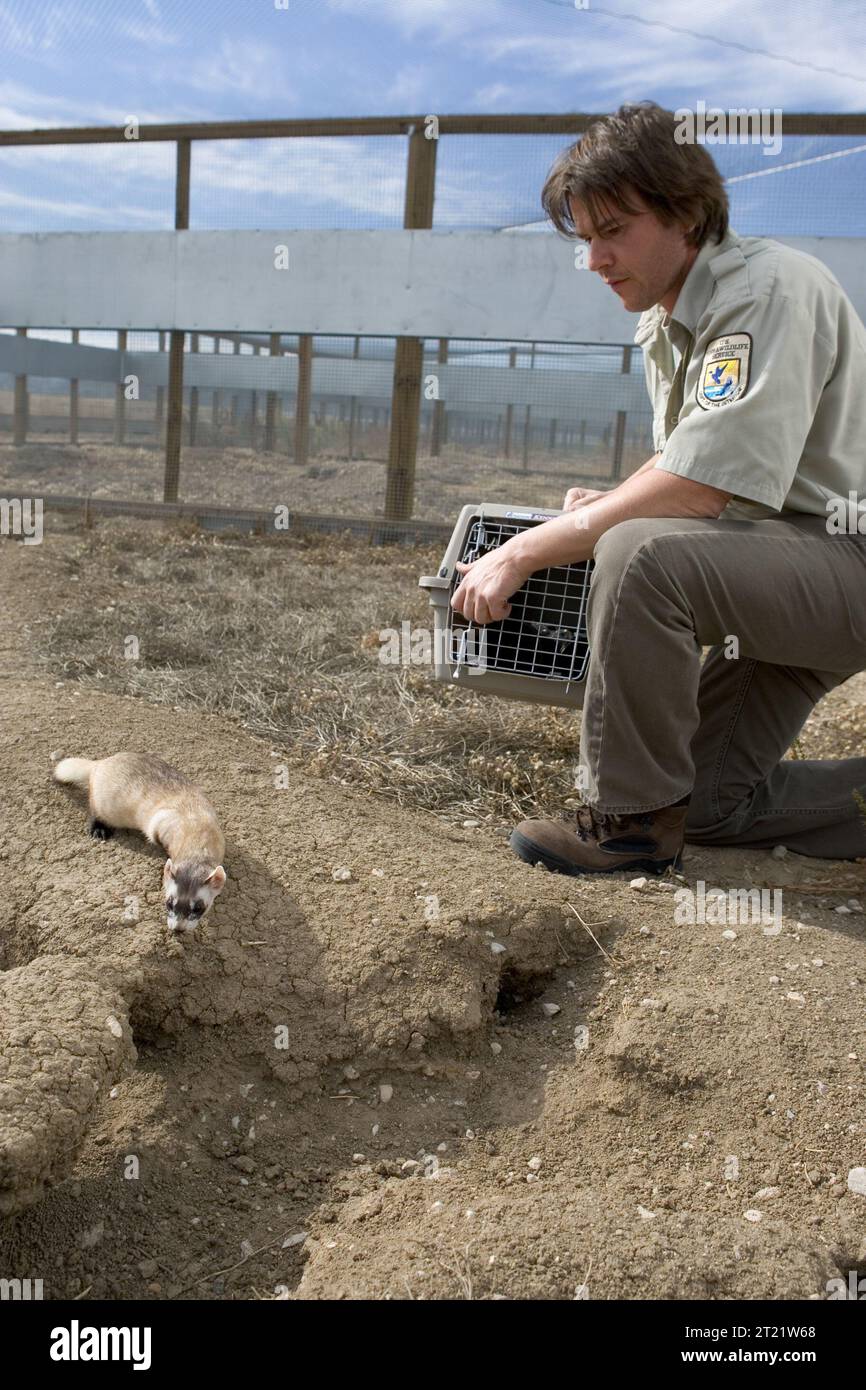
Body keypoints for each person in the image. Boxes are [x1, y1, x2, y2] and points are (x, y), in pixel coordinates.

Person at [450, 100, 866, 876]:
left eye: (615, 231)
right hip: (789, 558)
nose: (596, 259)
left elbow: (700, 488)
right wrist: (605, 501)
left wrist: (528, 551)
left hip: (846, 556)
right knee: (710, 803)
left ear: (688, 212)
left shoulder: (763, 292)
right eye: (585, 238)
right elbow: (685, 456)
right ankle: (697, 809)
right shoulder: (666, 318)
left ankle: (629, 821)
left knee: (644, 554)